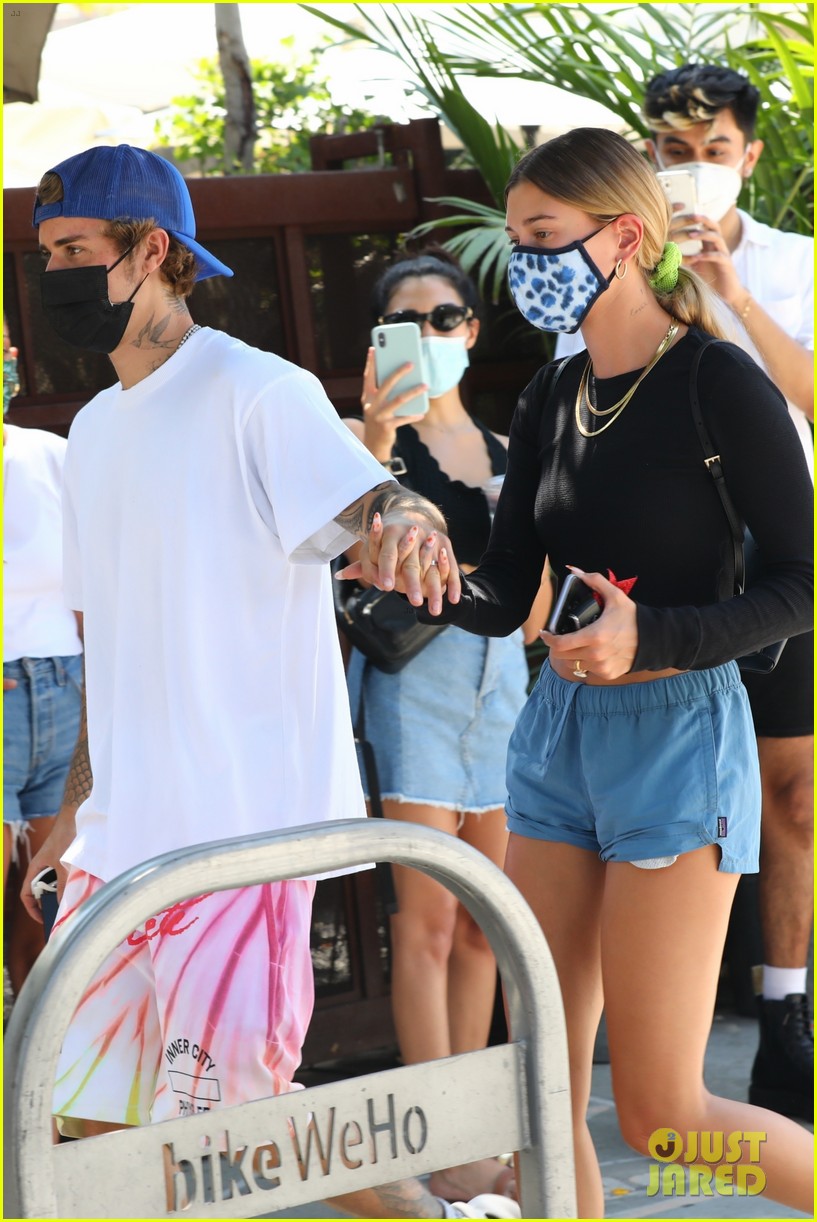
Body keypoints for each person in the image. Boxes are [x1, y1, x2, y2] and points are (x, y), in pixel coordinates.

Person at [20, 143, 517, 1222]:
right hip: (121, 845)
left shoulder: (257, 390)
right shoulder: (92, 431)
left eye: (73, 249)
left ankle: (445, 1218)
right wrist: (72, 812)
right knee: (90, 1118)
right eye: (46, 251)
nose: (51, 271)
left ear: (150, 251)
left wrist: (409, 522)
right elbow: (107, 645)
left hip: (244, 838)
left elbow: (369, 501)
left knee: (233, 1129)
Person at [361, 127, 813, 1216]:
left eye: (541, 236)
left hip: (677, 739)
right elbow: (505, 588)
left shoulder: (717, 382)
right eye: (515, 240)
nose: (522, 263)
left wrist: (648, 638)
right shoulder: (551, 393)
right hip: (558, 737)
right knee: (541, 1096)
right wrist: (416, 577)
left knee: (661, 1116)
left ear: (620, 237)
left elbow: (801, 585)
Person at [342, 249, 552, 1204]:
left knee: (482, 925)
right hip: (412, 690)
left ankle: (469, 1135)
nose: (427, 334)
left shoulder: (510, 452)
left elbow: (534, 618)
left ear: (470, 328)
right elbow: (344, 547)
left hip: (502, 690)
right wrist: (377, 429)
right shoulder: (366, 445)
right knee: (424, 923)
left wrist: (524, 536)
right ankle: (437, 1144)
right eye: (405, 319)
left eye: (443, 317)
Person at [641, 63, 814, 1124]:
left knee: (793, 794)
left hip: (785, 554)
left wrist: (731, 294)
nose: (693, 169)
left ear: (746, 156)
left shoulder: (793, 263)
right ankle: (668, 1044)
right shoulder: (622, 259)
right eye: (673, 151)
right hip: (668, 560)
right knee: (677, 798)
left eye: (712, 152)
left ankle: (785, 1016)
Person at [3, 316, 84, 999]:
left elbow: (94, 590)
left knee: (49, 916)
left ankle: (43, 1068)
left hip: (67, 693)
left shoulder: (53, 456)